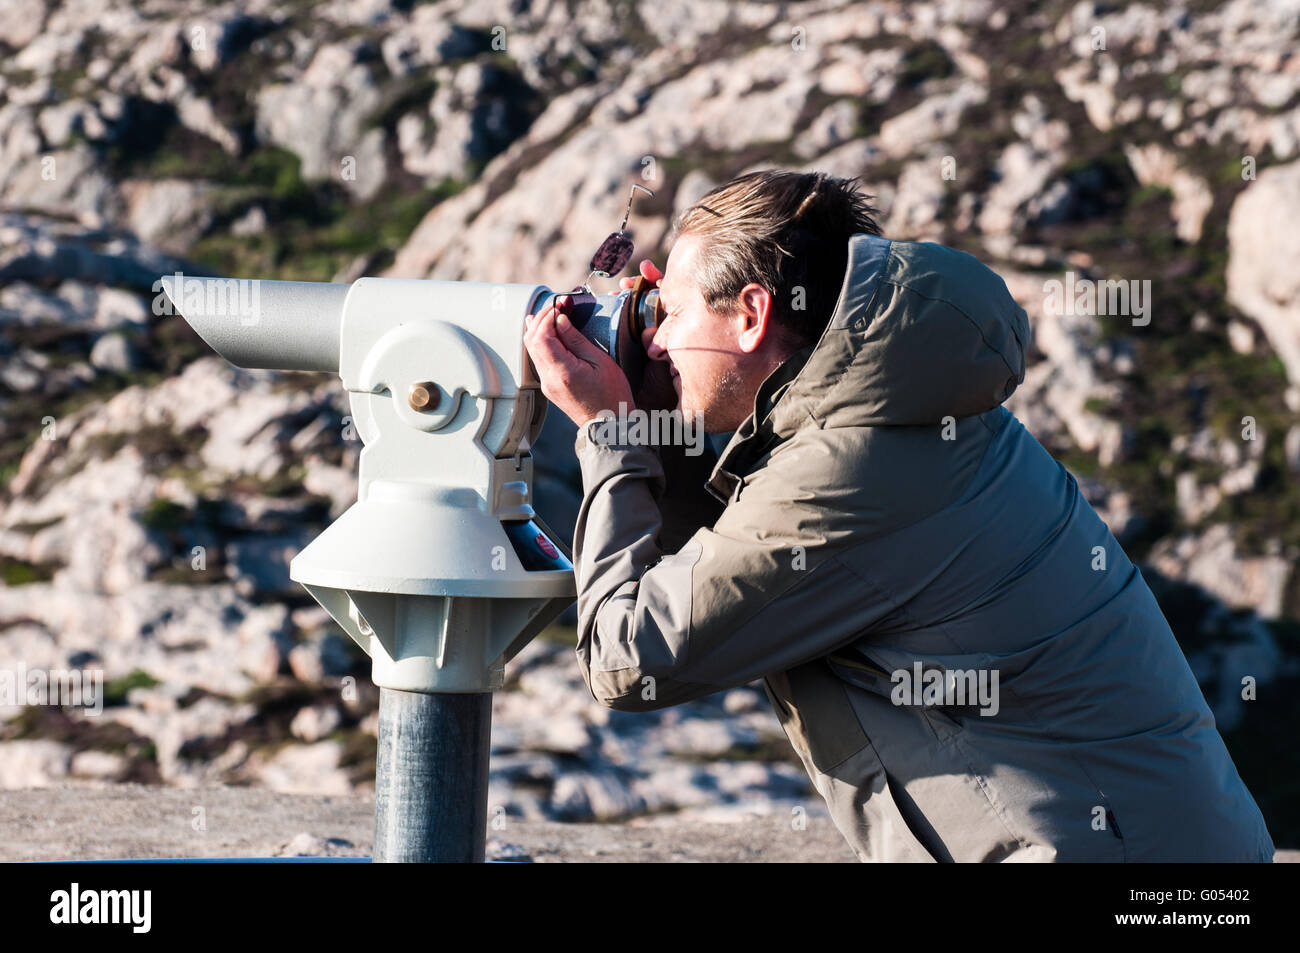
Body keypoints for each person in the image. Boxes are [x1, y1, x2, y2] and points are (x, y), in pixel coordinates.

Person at [522, 169, 1275, 862]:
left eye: (670, 312)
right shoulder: (901, 398)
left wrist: (613, 435)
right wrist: (665, 414)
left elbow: (628, 659)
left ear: (753, 315)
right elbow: (735, 555)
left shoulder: (844, 472)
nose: (653, 335)